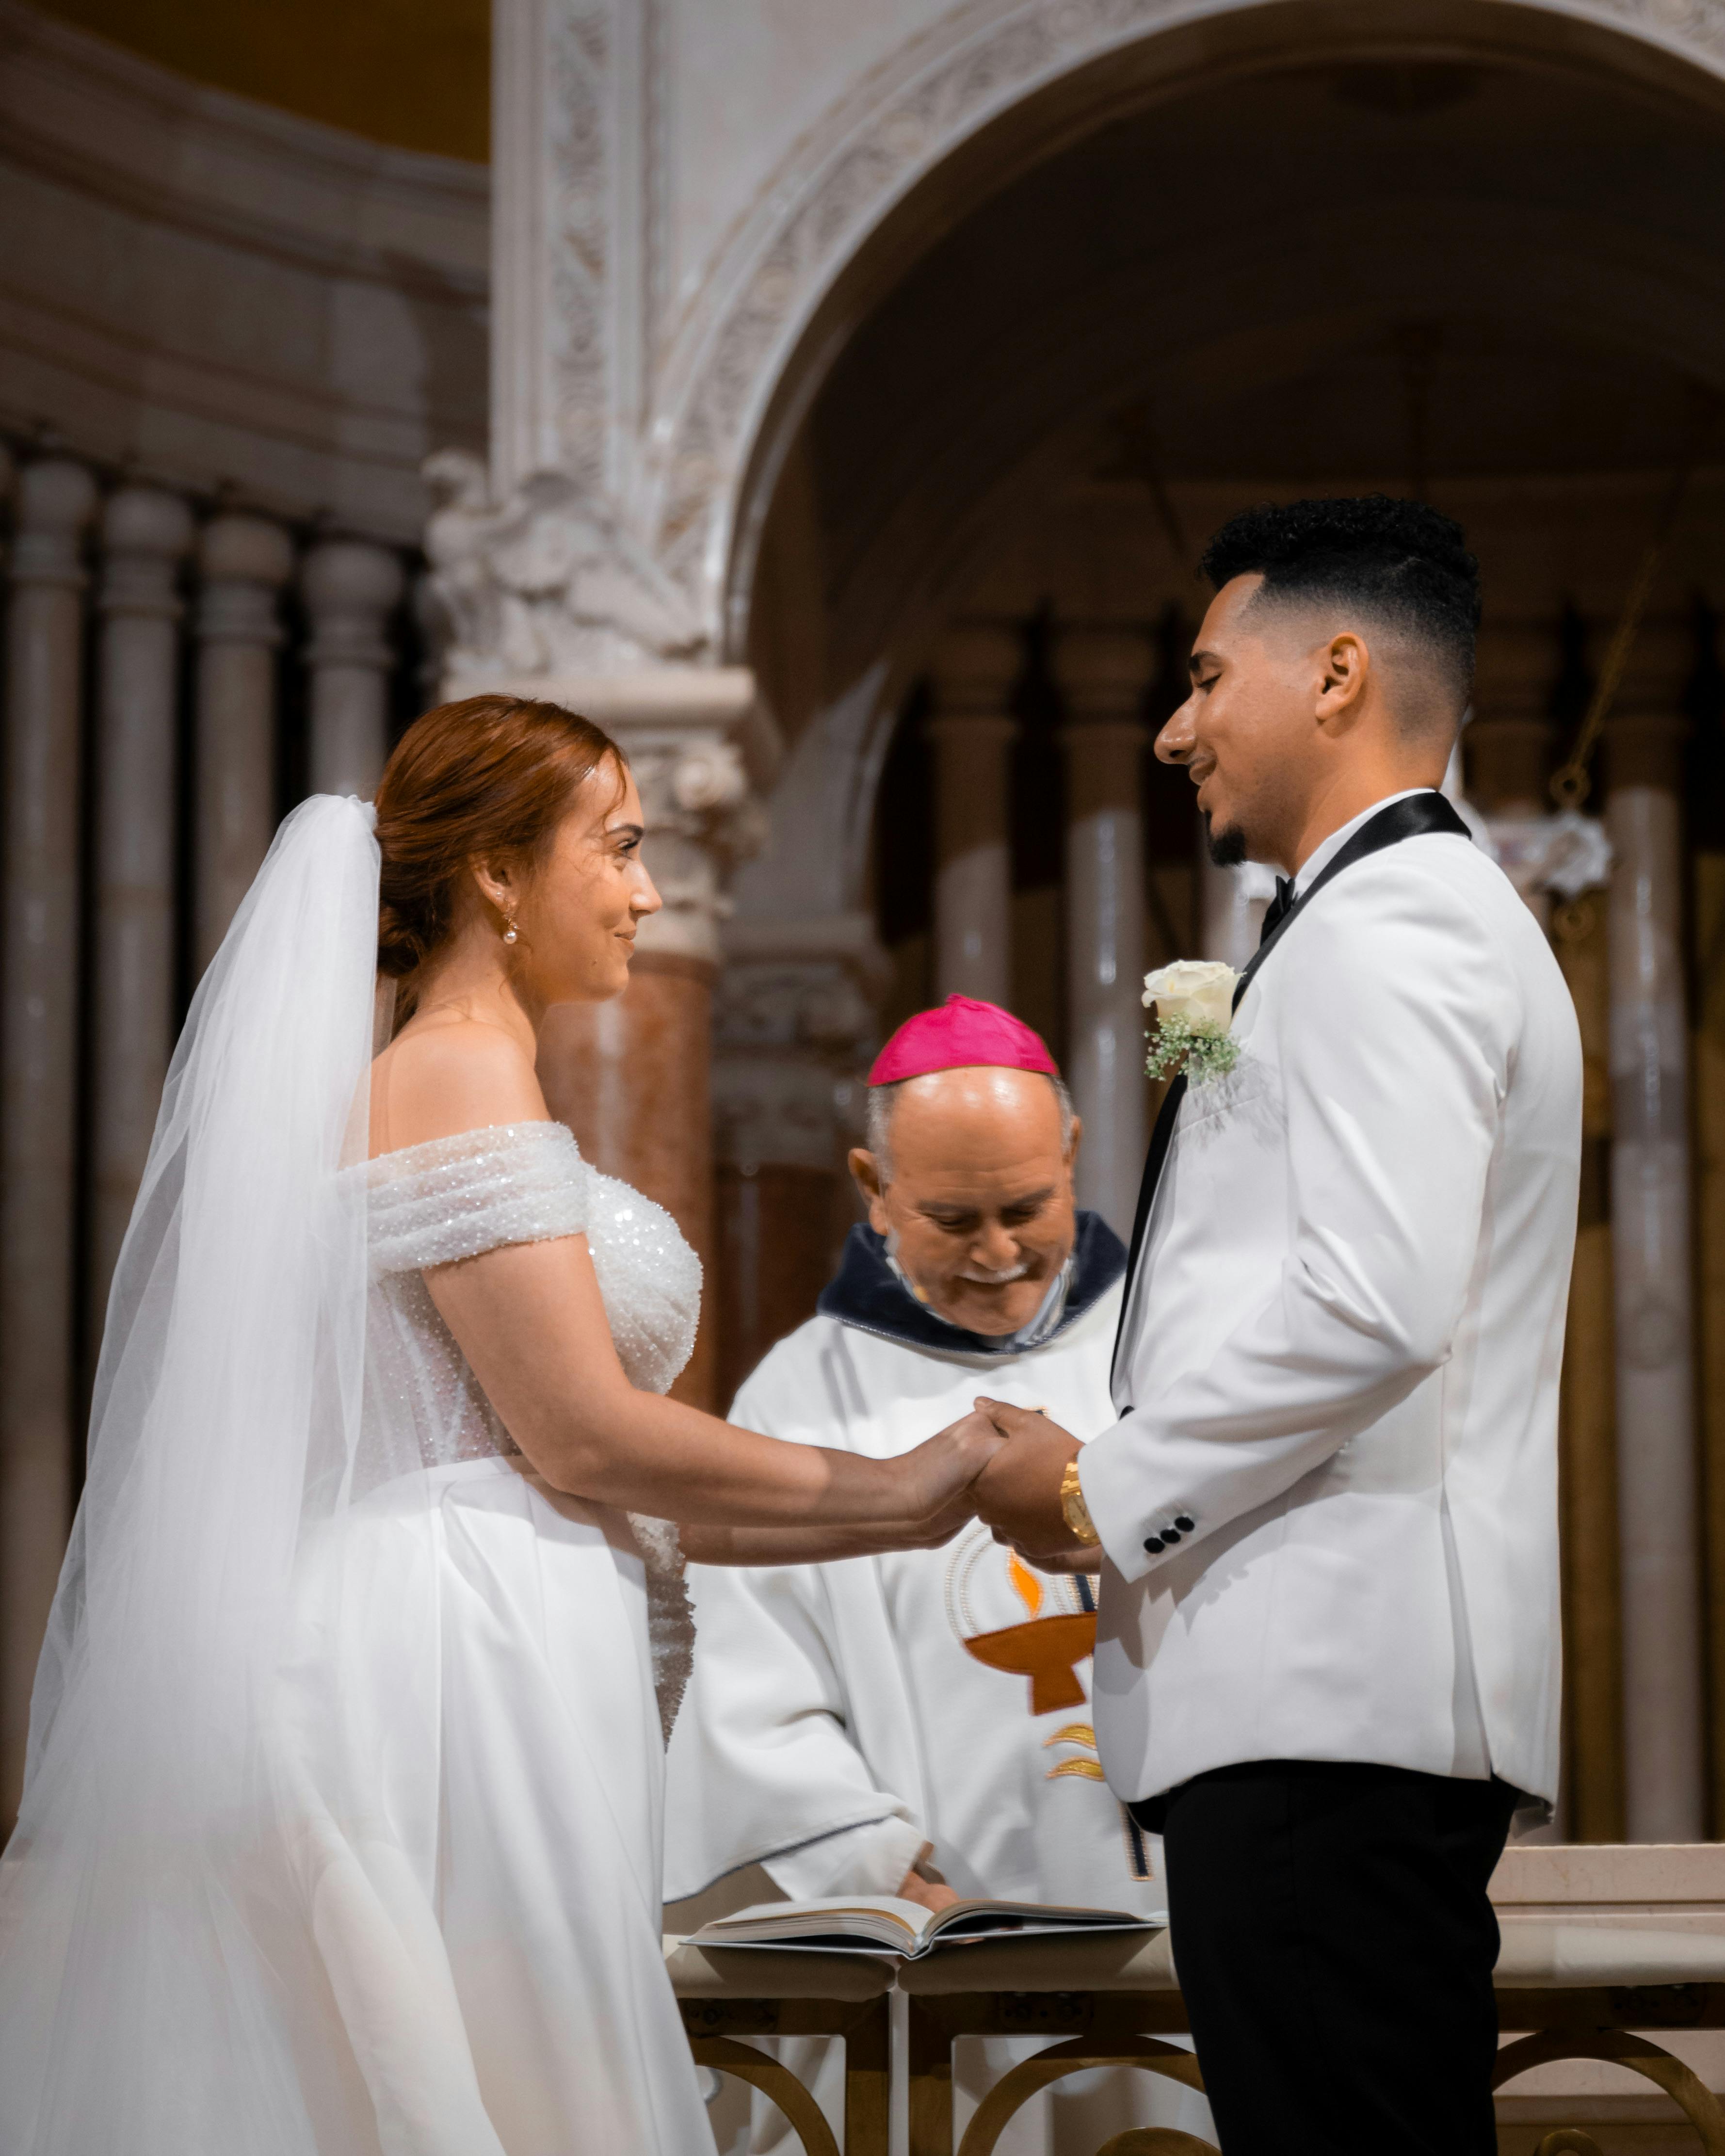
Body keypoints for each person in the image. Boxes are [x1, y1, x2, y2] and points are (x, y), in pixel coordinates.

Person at [0, 695, 1002, 2156]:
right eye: (620, 847)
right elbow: (583, 1437)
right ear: (495, 873)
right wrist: (895, 1482)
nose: (647, 891)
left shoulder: (456, 1070)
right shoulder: (459, 1065)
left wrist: (906, 1506)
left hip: (484, 1616)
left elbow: (587, 1470)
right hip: (460, 1656)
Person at [971, 497, 1582, 2155]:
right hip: (1322, 1703)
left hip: (1326, 1700)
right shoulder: (1380, 917)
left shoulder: (1395, 924)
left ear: (1332, 673)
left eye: (1200, 677)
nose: (1172, 731)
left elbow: (1372, 1302)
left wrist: (1100, 1485)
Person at [667, 996, 1212, 2152]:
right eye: (953, 1219)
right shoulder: (802, 1400)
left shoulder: (1174, 1343)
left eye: (1027, 1209)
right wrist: (874, 1862)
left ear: (1072, 1155)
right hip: (941, 1934)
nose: (1000, 1254)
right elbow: (745, 1683)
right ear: (873, 1186)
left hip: (1202, 1897)